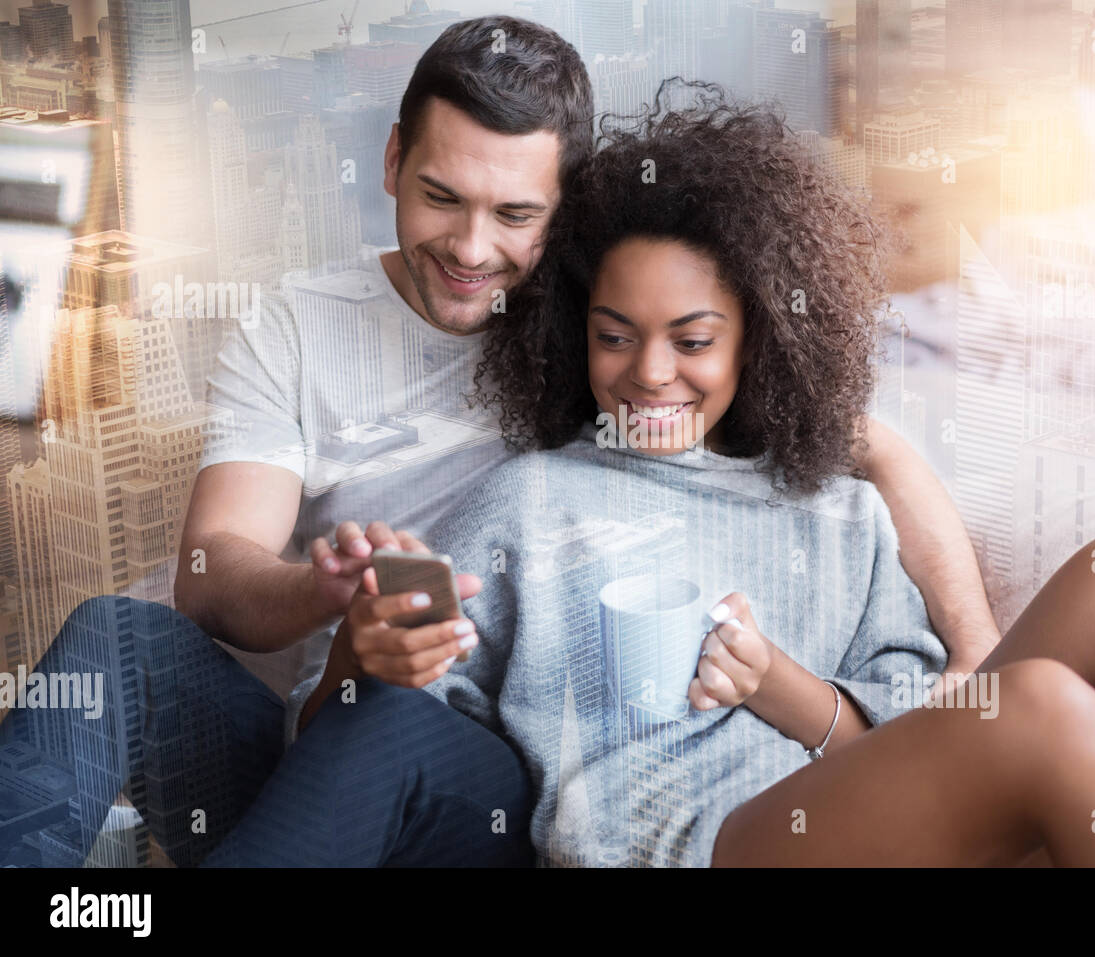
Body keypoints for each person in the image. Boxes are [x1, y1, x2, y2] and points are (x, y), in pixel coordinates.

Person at [0, 19, 995, 867]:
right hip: (321, 719)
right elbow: (212, 577)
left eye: (515, 214)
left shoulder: (604, 338)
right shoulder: (299, 321)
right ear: (392, 162)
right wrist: (334, 592)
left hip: (484, 767)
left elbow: (871, 450)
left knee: (391, 723)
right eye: (442, 196)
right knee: (114, 642)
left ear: (565, 216)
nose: (473, 250)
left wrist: (979, 647)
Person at [231, 83, 1095, 867]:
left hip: (870, 813)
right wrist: (354, 661)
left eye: (693, 337)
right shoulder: (531, 503)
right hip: (691, 843)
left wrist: (778, 688)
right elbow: (367, 762)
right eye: (614, 336)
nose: (650, 373)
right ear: (570, 336)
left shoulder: (836, 510)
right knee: (1040, 711)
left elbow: (903, 719)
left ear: (756, 336)